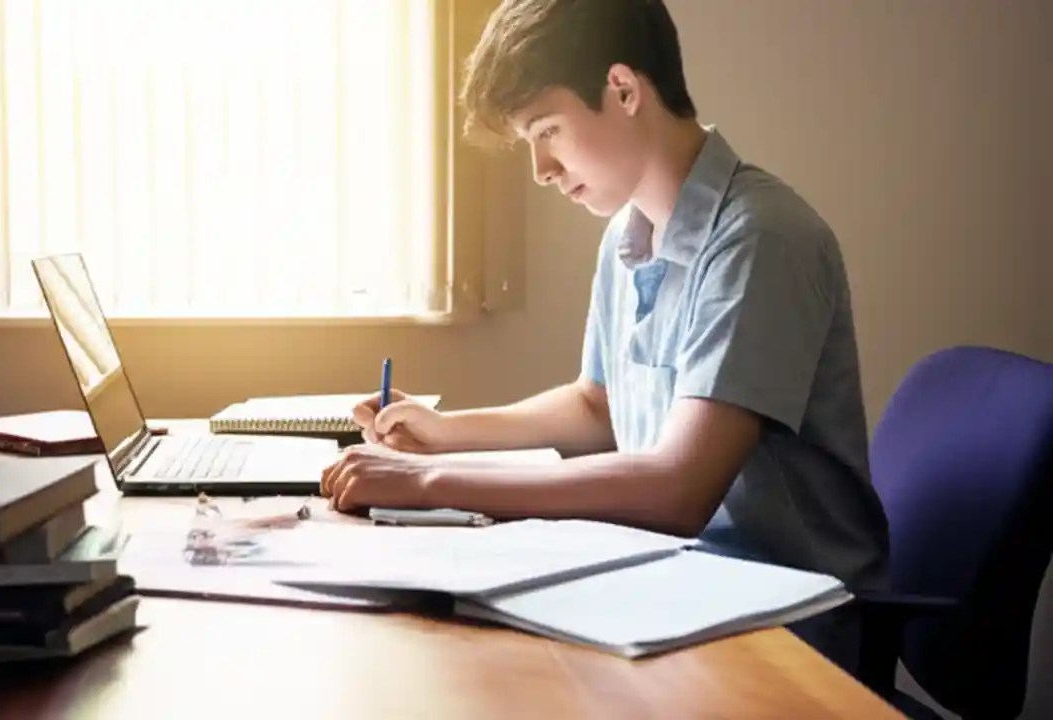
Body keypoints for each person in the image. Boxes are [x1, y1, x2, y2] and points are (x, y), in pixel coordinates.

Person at [319, 0, 889, 665]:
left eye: (549, 131)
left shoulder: (760, 239)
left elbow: (679, 487)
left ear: (623, 89)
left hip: (788, 622)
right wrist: (446, 433)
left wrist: (427, 482)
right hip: (673, 581)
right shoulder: (629, 230)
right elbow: (598, 406)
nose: (540, 169)